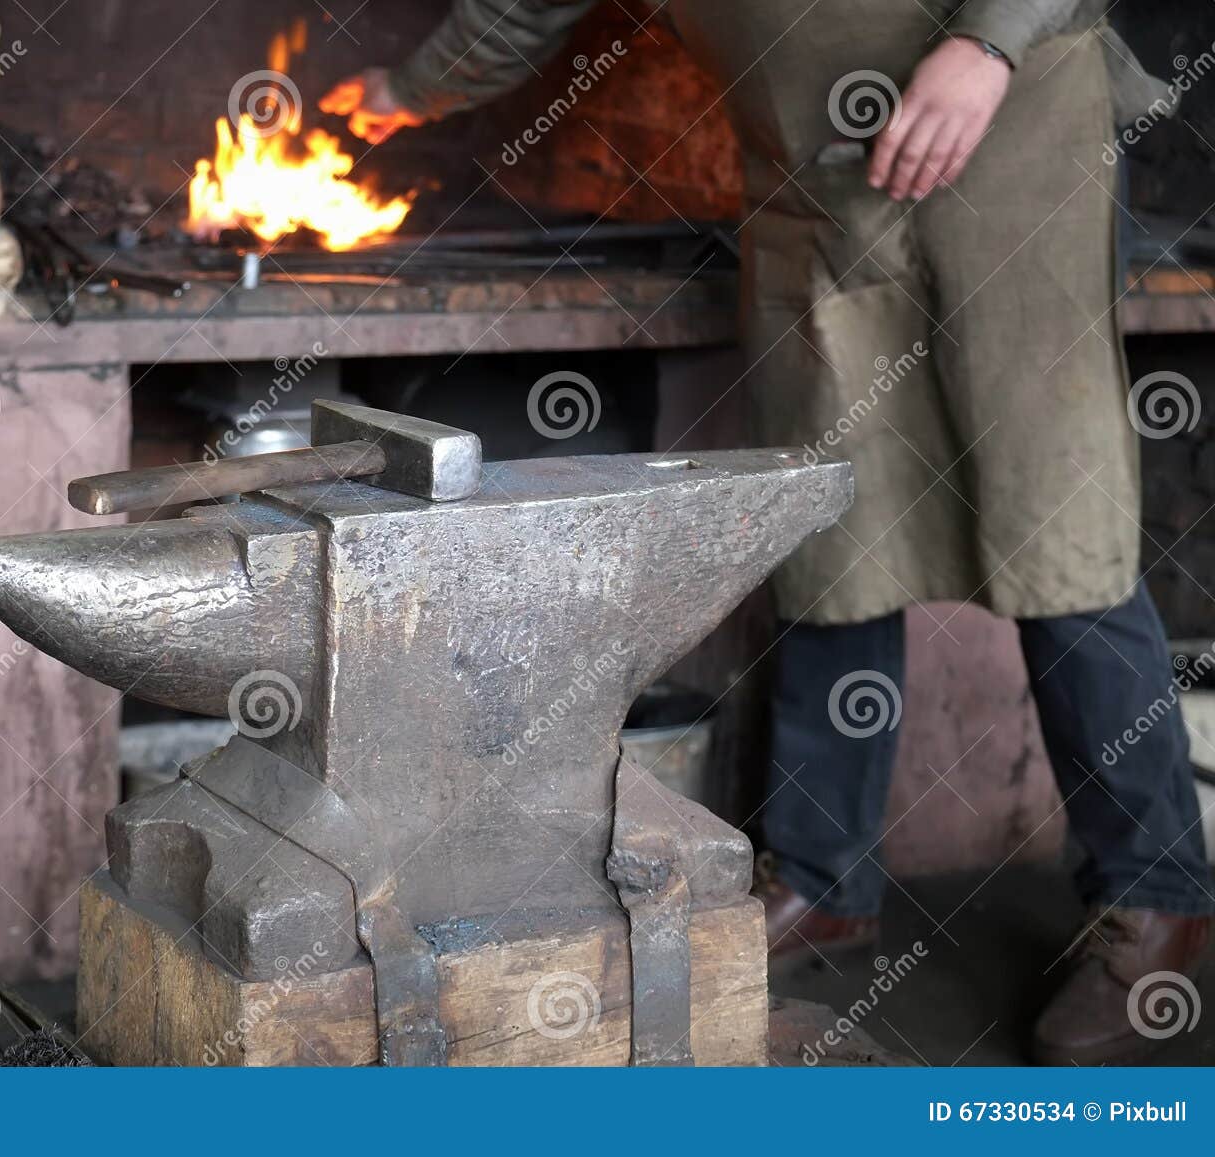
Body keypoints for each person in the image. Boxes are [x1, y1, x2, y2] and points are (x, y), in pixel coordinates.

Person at [322, 0, 1212, 1065]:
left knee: (1056, 517)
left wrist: (985, 47)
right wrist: (404, 93)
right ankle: (824, 878)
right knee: (828, 519)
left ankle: (1156, 896)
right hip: (815, 175)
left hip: (1007, 126)